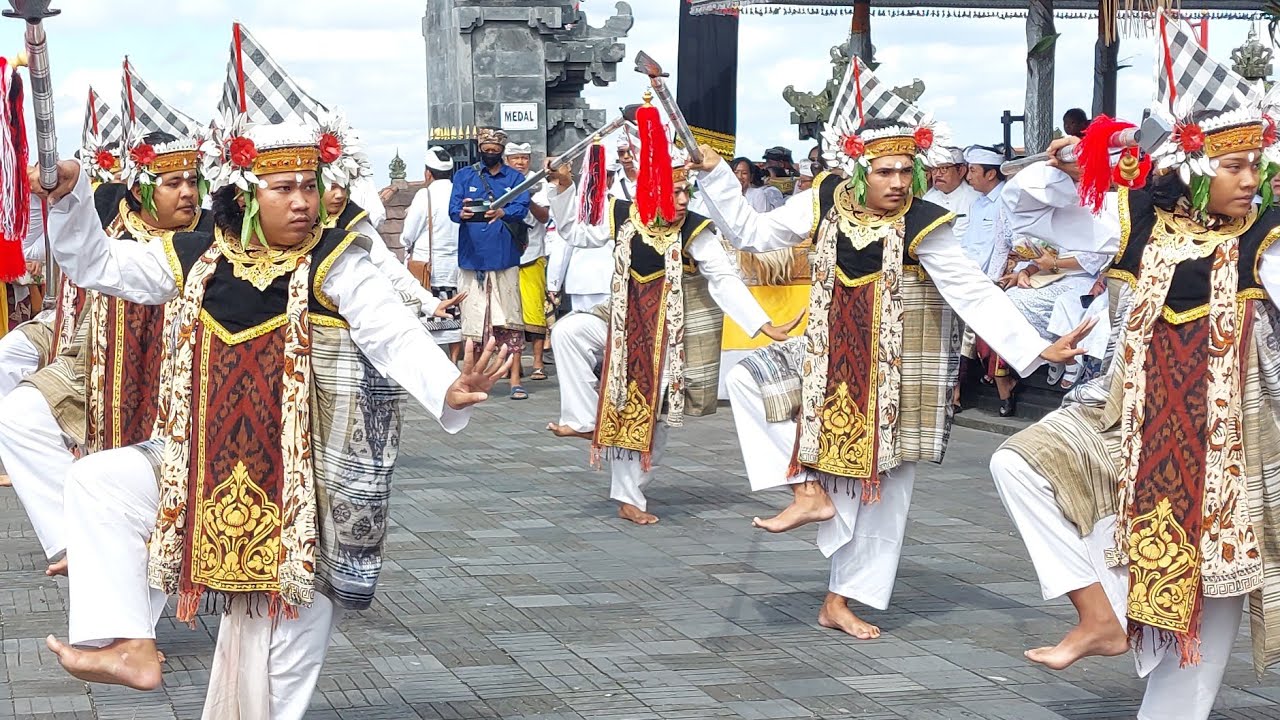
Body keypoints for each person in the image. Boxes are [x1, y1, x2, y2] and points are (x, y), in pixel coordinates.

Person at [36, 115, 510, 715]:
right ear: (246, 193)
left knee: (283, 663)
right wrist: (71, 195)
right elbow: (96, 265)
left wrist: (446, 384)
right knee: (95, 482)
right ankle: (130, 643)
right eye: (282, 187)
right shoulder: (196, 254)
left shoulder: (335, 261)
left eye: (308, 185)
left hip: (299, 498)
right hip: (198, 475)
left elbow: (388, 329)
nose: (303, 202)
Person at [694, 57, 1089, 640]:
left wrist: (1036, 348)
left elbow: (971, 291)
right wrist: (717, 174)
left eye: (907, 170)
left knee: (883, 498)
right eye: (885, 172)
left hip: (897, 378)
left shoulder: (926, 222)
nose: (898, 183)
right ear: (860, 171)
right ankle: (804, 489)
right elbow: (753, 234)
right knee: (749, 381)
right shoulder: (826, 197)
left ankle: (841, 599)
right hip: (825, 361)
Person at [988, 17, 1280, 720]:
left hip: (1228, 455)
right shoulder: (1134, 224)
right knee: (1019, 464)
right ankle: (1098, 616)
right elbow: (1018, 200)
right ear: (1189, 169)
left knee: (1197, 638)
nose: (1250, 180)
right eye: (1232, 166)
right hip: (1132, 431)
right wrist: (1066, 157)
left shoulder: (1264, 244)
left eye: (1255, 166)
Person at [0, 66, 210, 577]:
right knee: (17, 412)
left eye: (191, 181)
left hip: (182, 380)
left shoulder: (213, 237)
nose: (186, 193)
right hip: (92, 350)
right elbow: (88, 257)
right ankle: (72, 540)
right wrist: (68, 186)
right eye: (171, 182)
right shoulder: (115, 214)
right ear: (140, 188)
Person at [544, 110, 792, 525]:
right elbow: (575, 232)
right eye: (674, 192)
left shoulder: (696, 229)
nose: (682, 201)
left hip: (674, 333)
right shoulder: (624, 214)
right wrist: (564, 187)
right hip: (621, 321)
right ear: (653, 188)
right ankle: (583, 418)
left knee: (651, 419)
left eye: (686, 192)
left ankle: (630, 497)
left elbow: (723, 278)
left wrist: (761, 323)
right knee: (569, 330)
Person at [450, 127, 531, 398]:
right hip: (473, 258)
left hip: (504, 257)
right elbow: (453, 210)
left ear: (502, 152)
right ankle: (470, 379)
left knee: (510, 321)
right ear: (480, 149)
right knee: (473, 324)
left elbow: (522, 208)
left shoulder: (516, 178)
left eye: (495, 152)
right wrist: (462, 212)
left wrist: (503, 211)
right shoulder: (464, 175)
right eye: (486, 151)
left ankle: (515, 379)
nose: (490, 154)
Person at [403, 146, 464, 356]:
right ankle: (454, 362)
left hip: (427, 267)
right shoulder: (459, 192)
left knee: (427, 316)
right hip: (455, 266)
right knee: (453, 316)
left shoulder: (425, 195)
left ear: (428, 173)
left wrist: (406, 241)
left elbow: (408, 233)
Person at [506, 142, 551, 391]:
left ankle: (537, 363)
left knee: (534, 311)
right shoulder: (502, 181)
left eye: (524, 158)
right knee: (508, 314)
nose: (521, 162)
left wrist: (528, 198)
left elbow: (544, 216)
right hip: (508, 255)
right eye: (516, 158)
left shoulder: (538, 183)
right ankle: (512, 365)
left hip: (532, 253)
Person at [923, 146, 980, 240]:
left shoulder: (976, 198)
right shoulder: (928, 200)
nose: (937, 174)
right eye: (934, 169)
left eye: (944, 168)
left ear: (961, 171)